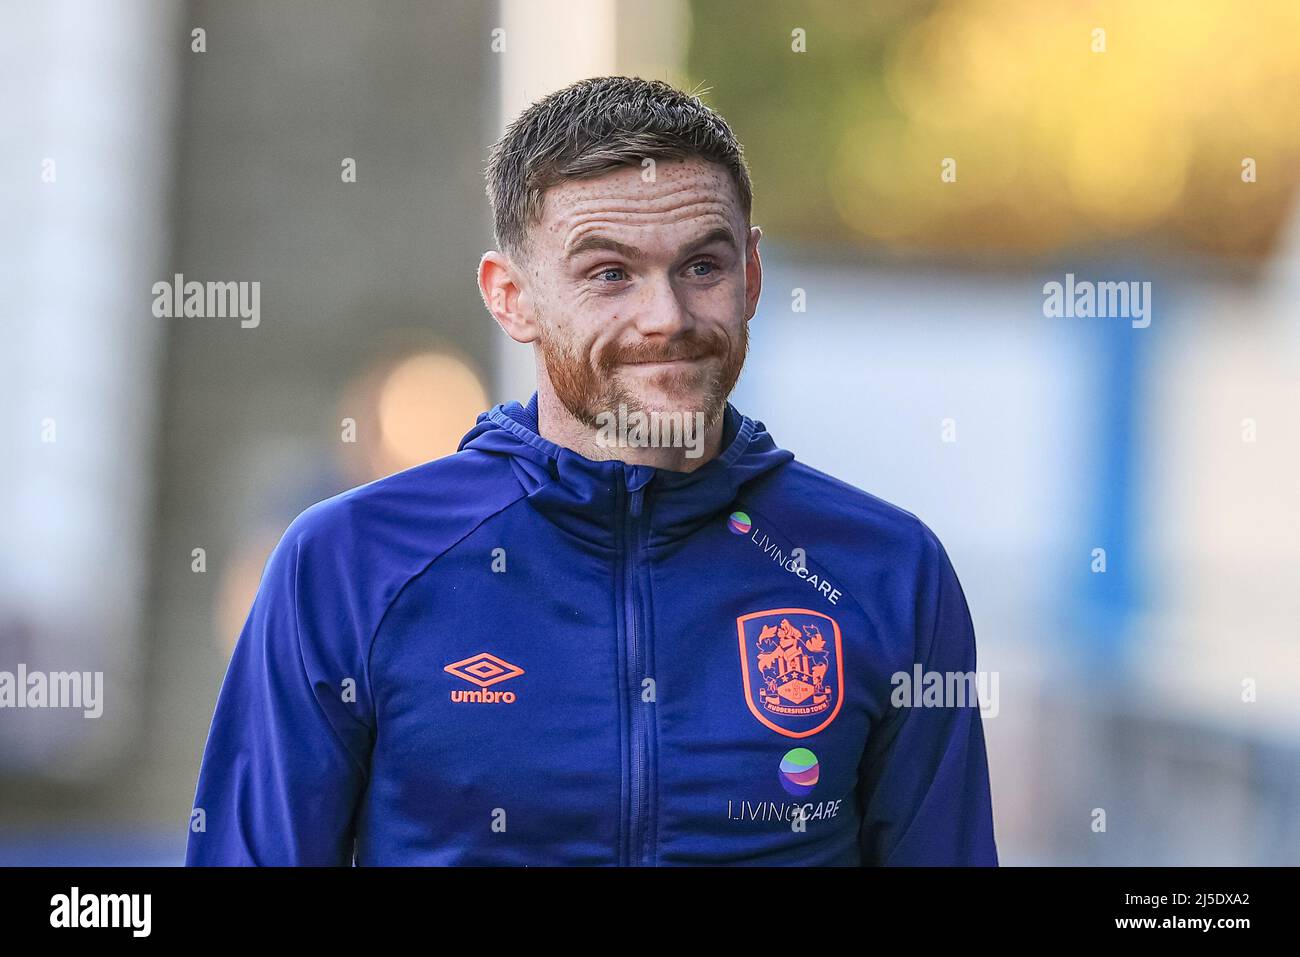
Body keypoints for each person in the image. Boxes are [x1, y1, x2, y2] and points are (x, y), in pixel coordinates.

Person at [186, 75, 998, 866]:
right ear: (512, 298)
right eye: (609, 273)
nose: (666, 317)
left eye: (702, 266)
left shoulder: (887, 571)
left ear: (750, 275)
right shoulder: (349, 563)